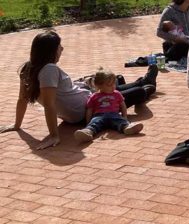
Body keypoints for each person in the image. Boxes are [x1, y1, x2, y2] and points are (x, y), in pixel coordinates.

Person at [0, 31, 157, 150]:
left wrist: (16, 125)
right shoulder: (49, 69)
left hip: (91, 96)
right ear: (51, 50)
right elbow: (49, 105)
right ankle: (147, 84)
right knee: (138, 91)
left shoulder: (28, 68)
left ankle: (144, 80)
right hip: (96, 106)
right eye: (59, 46)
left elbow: (22, 99)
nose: (62, 48)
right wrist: (54, 135)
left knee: (117, 84)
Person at [74, 68, 144, 143]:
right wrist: (88, 122)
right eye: (109, 85)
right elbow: (89, 109)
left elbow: (123, 105)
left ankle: (127, 128)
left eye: (114, 84)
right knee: (95, 123)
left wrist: (125, 116)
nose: (113, 87)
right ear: (99, 85)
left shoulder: (117, 93)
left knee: (120, 121)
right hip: (99, 115)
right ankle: (88, 132)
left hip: (114, 114)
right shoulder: (94, 96)